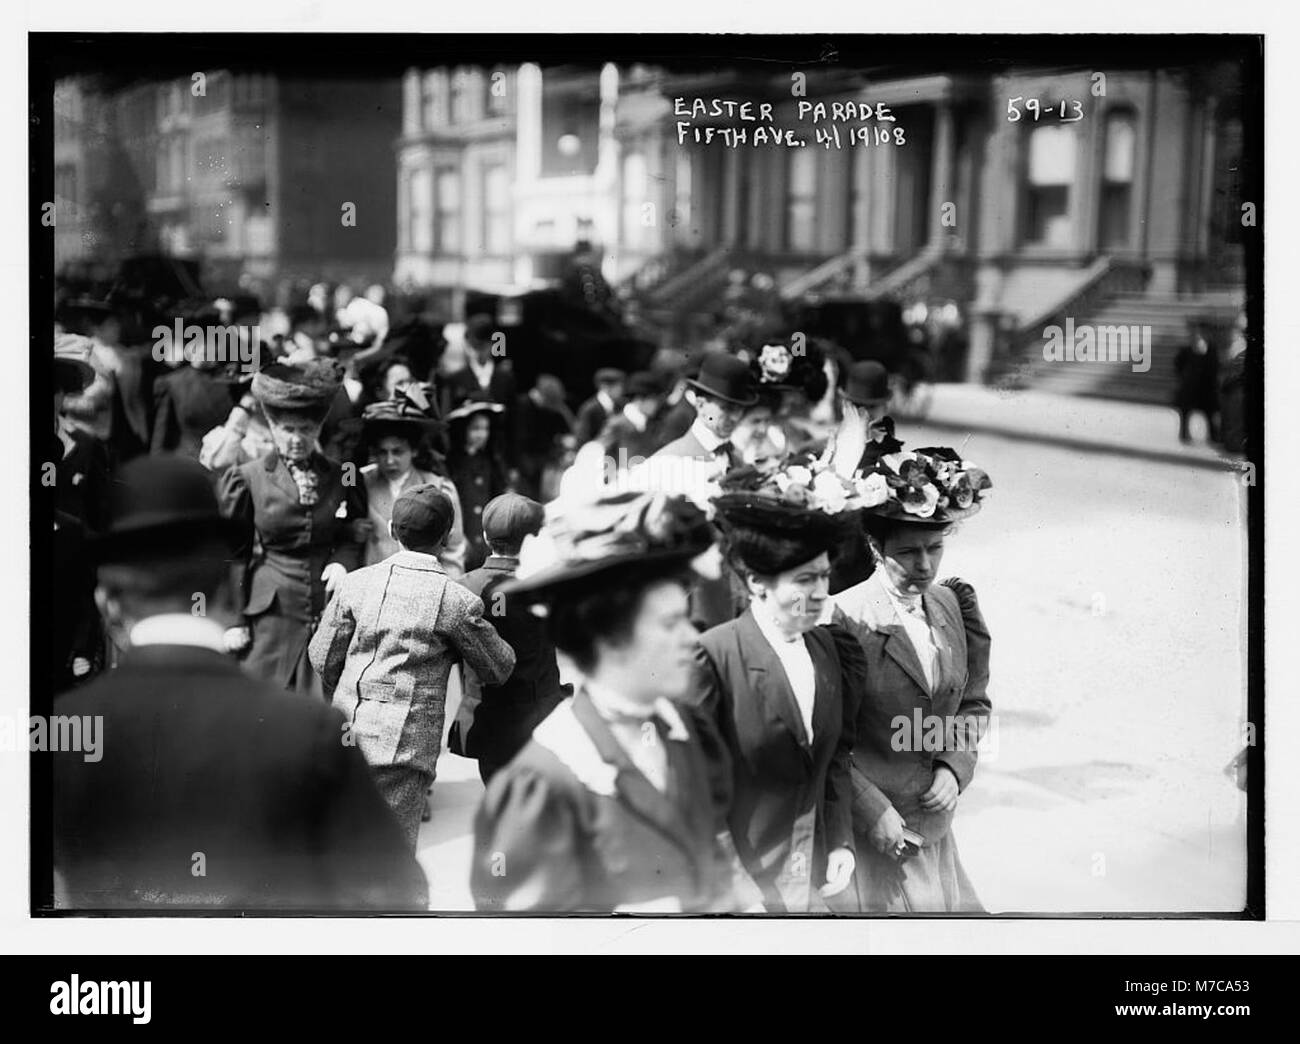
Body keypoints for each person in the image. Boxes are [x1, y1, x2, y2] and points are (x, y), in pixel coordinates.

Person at [52, 454, 427, 910]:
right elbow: (394, 896)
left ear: (107, 603)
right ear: (232, 594)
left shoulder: (63, 731)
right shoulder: (311, 730)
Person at [471, 491, 749, 913]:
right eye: (670, 623)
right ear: (610, 637)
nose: (691, 639)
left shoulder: (686, 729)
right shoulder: (544, 784)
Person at [688, 460, 864, 913]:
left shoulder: (831, 651)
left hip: (812, 885)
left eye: (825, 575)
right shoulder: (715, 658)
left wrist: (841, 840)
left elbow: (835, 760)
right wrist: (740, 891)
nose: (822, 592)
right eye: (805, 580)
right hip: (741, 895)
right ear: (757, 583)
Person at [830, 446, 994, 912]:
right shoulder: (845, 618)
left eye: (934, 548)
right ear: (876, 549)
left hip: (934, 831)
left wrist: (953, 764)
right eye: (908, 552)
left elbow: (972, 703)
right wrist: (870, 807)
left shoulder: (952, 604)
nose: (925, 566)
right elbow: (824, 740)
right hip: (875, 840)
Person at [309, 484, 516, 849]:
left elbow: (322, 657)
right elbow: (498, 667)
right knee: (393, 865)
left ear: (391, 529)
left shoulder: (355, 584)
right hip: (404, 751)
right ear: (447, 537)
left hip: (344, 738)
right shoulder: (455, 601)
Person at [218, 360, 367, 696]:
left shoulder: (342, 473)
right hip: (271, 611)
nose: (297, 439)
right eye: (288, 429)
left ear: (318, 430)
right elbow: (233, 554)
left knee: (321, 705)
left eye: (306, 430)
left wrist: (343, 561)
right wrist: (234, 620)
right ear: (272, 426)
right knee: (261, 705)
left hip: (326, 607)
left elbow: (352, 532)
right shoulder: (248, 477)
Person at [456, 493, 571, 783]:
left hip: (487, 719)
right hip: (541, 716)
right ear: (534, 538)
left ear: (484, 536)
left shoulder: (462, 587)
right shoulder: (550, 583)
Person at [648, 351, 758, 630]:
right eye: (725, 407)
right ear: (699, 402)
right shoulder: (669, 462)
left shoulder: (740, 458)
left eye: (739, 408)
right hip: (696, 605)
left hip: (741, 598)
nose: (734, 416)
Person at [357, 390, 467, 578]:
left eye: (397, 452)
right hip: (374, 588)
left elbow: (453, 555)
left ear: (414, 450)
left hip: (423, 590)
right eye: (383, 452)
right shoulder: (361, 482)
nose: (390, 460)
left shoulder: (438, 487)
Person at [446, 396, 510, 571]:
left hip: (485, 540)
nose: (481, 434)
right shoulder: (451, 463)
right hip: (462, 539)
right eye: (475, 428)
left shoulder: (491, 461)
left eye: (485, 428)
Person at [151, 340, 237, 459]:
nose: (204, 349)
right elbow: (162, 431)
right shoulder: (172, 383)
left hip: (226, 456)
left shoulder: (233, 380)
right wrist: (157, 466)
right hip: (190, 460)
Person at [1173, 325, 1220, 444]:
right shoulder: (1187, 350)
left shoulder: (1211, 350)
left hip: (1205, 388)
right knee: (1185, 413)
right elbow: (1178, 364)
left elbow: (1214, 367)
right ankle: (1184, 434)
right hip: (1189, 388)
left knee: (1209, 413)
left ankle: (1213, 435)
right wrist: (1184, 377)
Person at [573, 367, 624, 447]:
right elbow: (582, 439)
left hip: (619, 455)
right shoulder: (590, 409)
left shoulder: (621, 405)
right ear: (605, 387)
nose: (621, 390)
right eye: (618, 386)